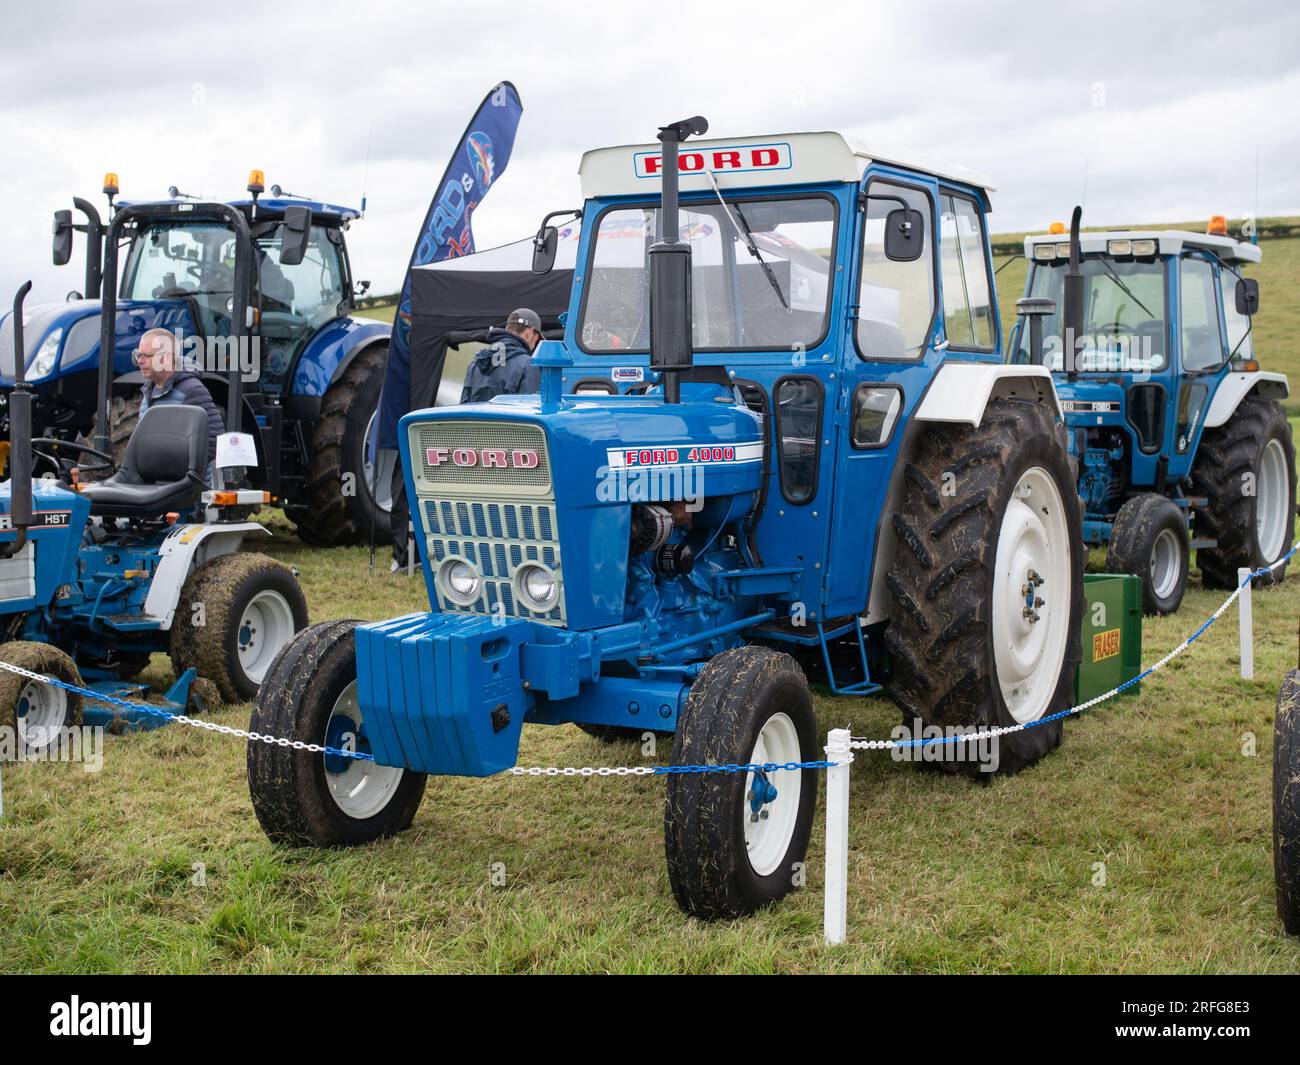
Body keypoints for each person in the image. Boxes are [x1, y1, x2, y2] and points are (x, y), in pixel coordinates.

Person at [134, 327, 225, 477]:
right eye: (138, 355)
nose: (140, 361)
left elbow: (214, 440)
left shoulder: (192, 390)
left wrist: (183, 471)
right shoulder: (148, 391)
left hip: (185, 488)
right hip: (156, 482)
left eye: (146, 356)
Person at [460, 308, 543, 403]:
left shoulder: (476, 363)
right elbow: (529, 410)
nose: (536, 342)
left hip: (478, 418)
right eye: (537, 338)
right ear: (530, 332)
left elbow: (463, 407)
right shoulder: (528, 364)